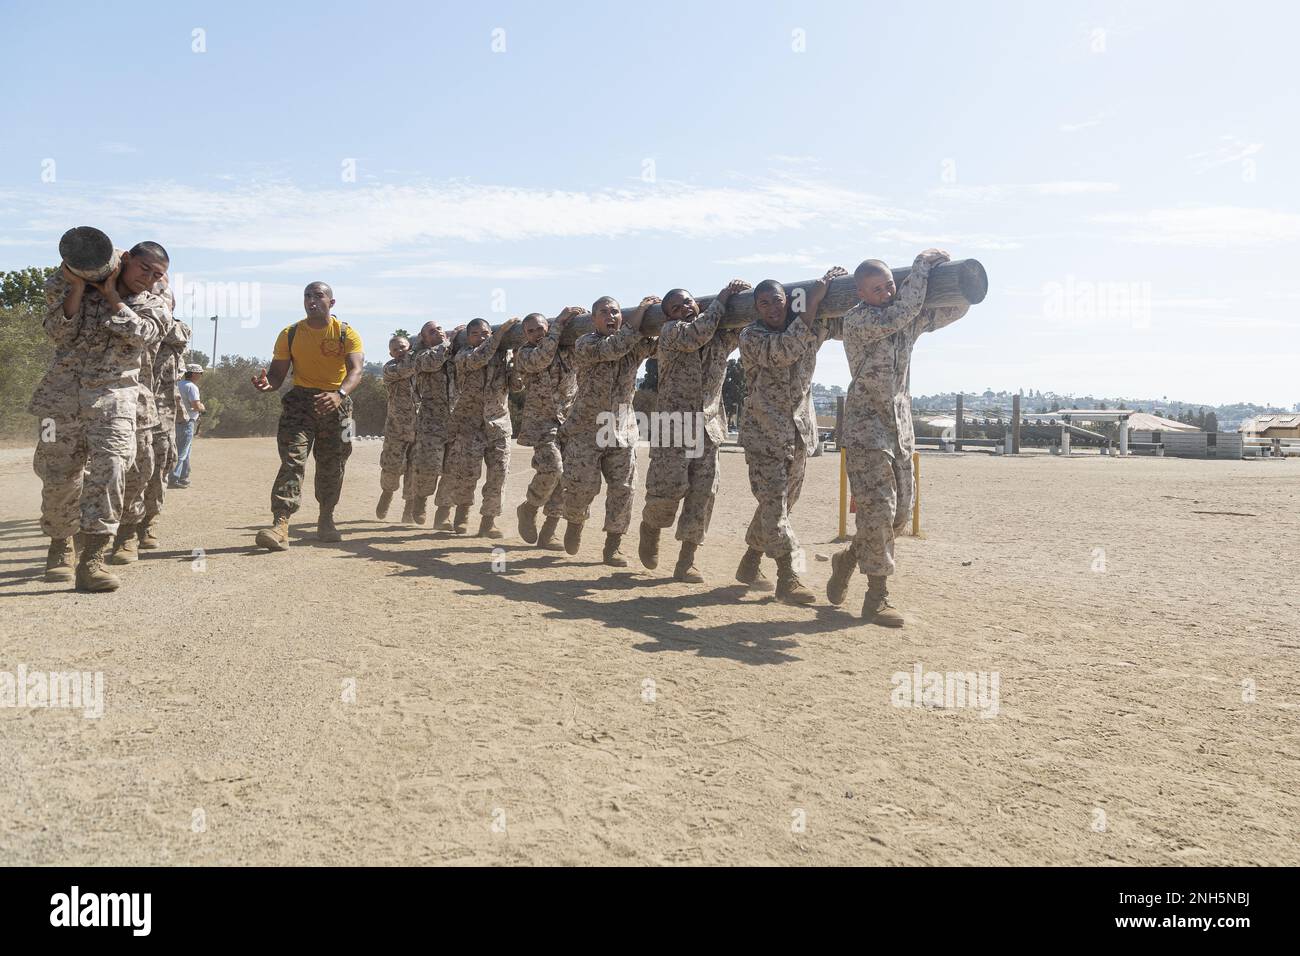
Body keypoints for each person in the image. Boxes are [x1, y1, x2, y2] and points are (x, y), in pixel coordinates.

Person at [825, 249, 969, 626]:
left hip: (899, 430)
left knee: (900, 515)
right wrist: (921, 266)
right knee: (878, 512)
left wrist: (956, 282)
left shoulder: (904, 317)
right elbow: (900, 313)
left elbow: (951, 311)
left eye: (890, 285)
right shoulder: (857, 321)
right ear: (860, 293)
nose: (887, 293)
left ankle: (847, 559)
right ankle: (877, 597)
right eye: (877, 289)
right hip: (865, 431)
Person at [29, 241, 172, 591]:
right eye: (144, 269)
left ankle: (92, 558)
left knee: (111, 470)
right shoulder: (68, 285)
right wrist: (79, 286)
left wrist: (112, 297)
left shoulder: (153, 304)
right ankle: (60, 543)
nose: (148, 278)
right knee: (58, 476)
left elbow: (142, 335)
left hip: (115, 397)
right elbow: (58, 332)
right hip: (59, 398)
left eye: (157, 274)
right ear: (125, 260)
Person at [735, 267, 844, 604]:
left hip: (798, 435)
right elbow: (784, 351)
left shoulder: (807, 328)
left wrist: (835, 288)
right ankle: (789, 574)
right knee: (774, 506)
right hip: (764, 435)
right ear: (757, 308)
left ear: (787, 302)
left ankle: (751, 562)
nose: (772, 308)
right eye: (764, 303)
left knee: (781, 506)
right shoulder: (751, 337)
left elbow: (838, 324)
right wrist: (812, 302)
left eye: (777, 301)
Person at [638, 280, 748, 582]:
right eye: (676, 307)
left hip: (709, 426)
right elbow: (696, 335)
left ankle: (687, 559)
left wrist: (746, 298)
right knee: (668, 489)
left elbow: (743, 329)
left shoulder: (718, 337)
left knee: (703, 494)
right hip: (675, 426)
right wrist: (723, 298)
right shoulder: (673, 333)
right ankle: (651, 527)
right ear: (669, 316)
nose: (685, 308)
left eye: (688, 302)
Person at [251, 281, 364, 550]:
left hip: (337, 405)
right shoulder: (290, 334)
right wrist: (269, 384)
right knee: (292, 460)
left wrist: (339, 394)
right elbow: (277, 375)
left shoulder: (347, 333)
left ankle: (326, 517)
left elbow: (356, 371)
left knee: (333, 465)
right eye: (307, 296)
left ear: (331, 302)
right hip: (300, 404)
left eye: (318, 296)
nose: (311, 300)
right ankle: (280, 524)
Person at [561, 295, 659, 566]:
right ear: (593, 319)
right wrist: (640, 311)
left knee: (623, 489)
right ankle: (574, 523)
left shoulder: (634, 343)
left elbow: (663, 344)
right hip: (586, 427)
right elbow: (614, 348)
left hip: (622, 428)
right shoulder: (585, 343)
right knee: (582, 487)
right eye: (604, 312)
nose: (611, 316)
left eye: (615, 312)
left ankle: (613, 545)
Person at [437, 318, 518, 537]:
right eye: (476, 334)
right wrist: (499, 334)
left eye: (486, 333)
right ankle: (461, 516)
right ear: (467, 337)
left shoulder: (504, 356)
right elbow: (479, 358)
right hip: (469, 424)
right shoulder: (463, 355)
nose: (482, 338)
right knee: (467, 473)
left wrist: (518, 364)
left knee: (498, 474)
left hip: (499, 423)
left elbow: (517, 386)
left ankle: (488, 521)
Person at [513, 307, 582, 548]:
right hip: (541, 423)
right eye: (530, 331)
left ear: (547, 326)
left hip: (569, 422)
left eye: (540, 328)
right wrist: (558, 325)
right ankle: (529, 508)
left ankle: (549, 531)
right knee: (553, 468)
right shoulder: (525, 353)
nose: (536, 333)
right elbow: (541, 358)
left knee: (565, 479)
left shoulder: (567, 350)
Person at [407, 320, 460, 528]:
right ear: (424, 339)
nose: (437, 332)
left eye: (439, 328)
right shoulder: (421, 357)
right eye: (431, 331)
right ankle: (420, 501)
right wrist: (450, 340)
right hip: (431, 422)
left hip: (456, 421)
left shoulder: (453, 353)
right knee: (430, 467)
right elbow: (435, 361)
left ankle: (443, 513)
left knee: (452, 469)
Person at [377, 335, 418, 522]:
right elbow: (407, 369)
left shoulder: (421, 366)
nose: (400, 351)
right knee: (392, 467)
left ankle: (409, 508)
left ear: (409, 347)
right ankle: (387, 494)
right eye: (395, 349)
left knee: (414, 470)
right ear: (390, 353)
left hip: (419, 428)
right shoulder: (390, 368)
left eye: (403, 347)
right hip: (396, 428)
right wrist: (415, 351)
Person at [169, 364, 204, 488]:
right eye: (200, 373)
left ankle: (183, 476)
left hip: (176, 421)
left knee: (185, 451)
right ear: (194, 374)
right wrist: (202, 408)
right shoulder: (191, 387)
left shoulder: (178, 384)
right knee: (182, 452)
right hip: (187, 421)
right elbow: (196, 405)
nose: (201, 375)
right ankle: (174, 478)